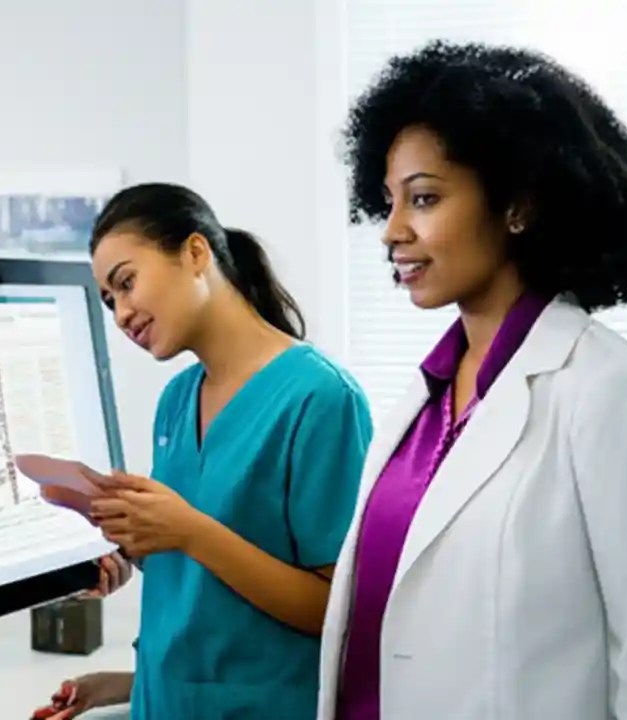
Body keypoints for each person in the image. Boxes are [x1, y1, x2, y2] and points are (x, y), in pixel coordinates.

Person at [317, 41, 627, 720]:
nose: (391, 231)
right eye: (388, 202)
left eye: (424, 198)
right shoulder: (422, 399)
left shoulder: (605, 389)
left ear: (518, 204)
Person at [33, 183, 373, 719]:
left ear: (195, 253)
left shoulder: (321, 398)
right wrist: (127, 540)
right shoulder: (177, 399)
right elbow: (198, 578)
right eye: (108, 300)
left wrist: (188, 530)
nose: (120, 314)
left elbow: (335, 610)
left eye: (126, 283)